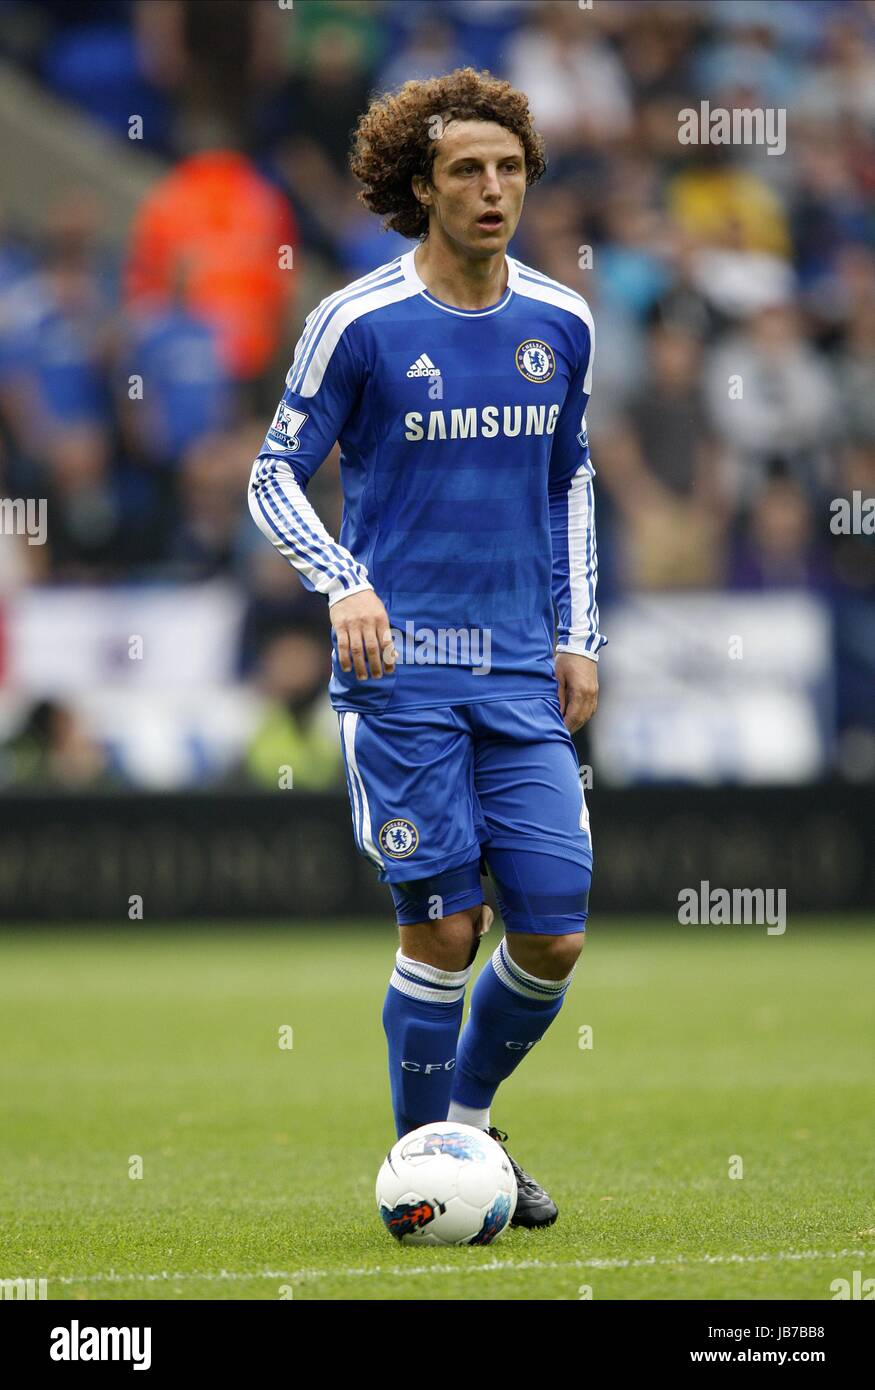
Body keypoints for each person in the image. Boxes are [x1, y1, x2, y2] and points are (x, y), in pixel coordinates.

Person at [248, 68, 606, 1231]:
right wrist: (342, 579)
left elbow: (570, 483)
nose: (493, 188)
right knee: (444, 927)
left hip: (518, 666)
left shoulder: (561, 320)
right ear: (420, 186)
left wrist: (580, 636)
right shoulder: (355, 322)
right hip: (399, 673)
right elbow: (271, 476)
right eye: (466, 169)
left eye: (509, 168)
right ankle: (428, 1160)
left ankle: (465, 1126)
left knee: (549, 925)